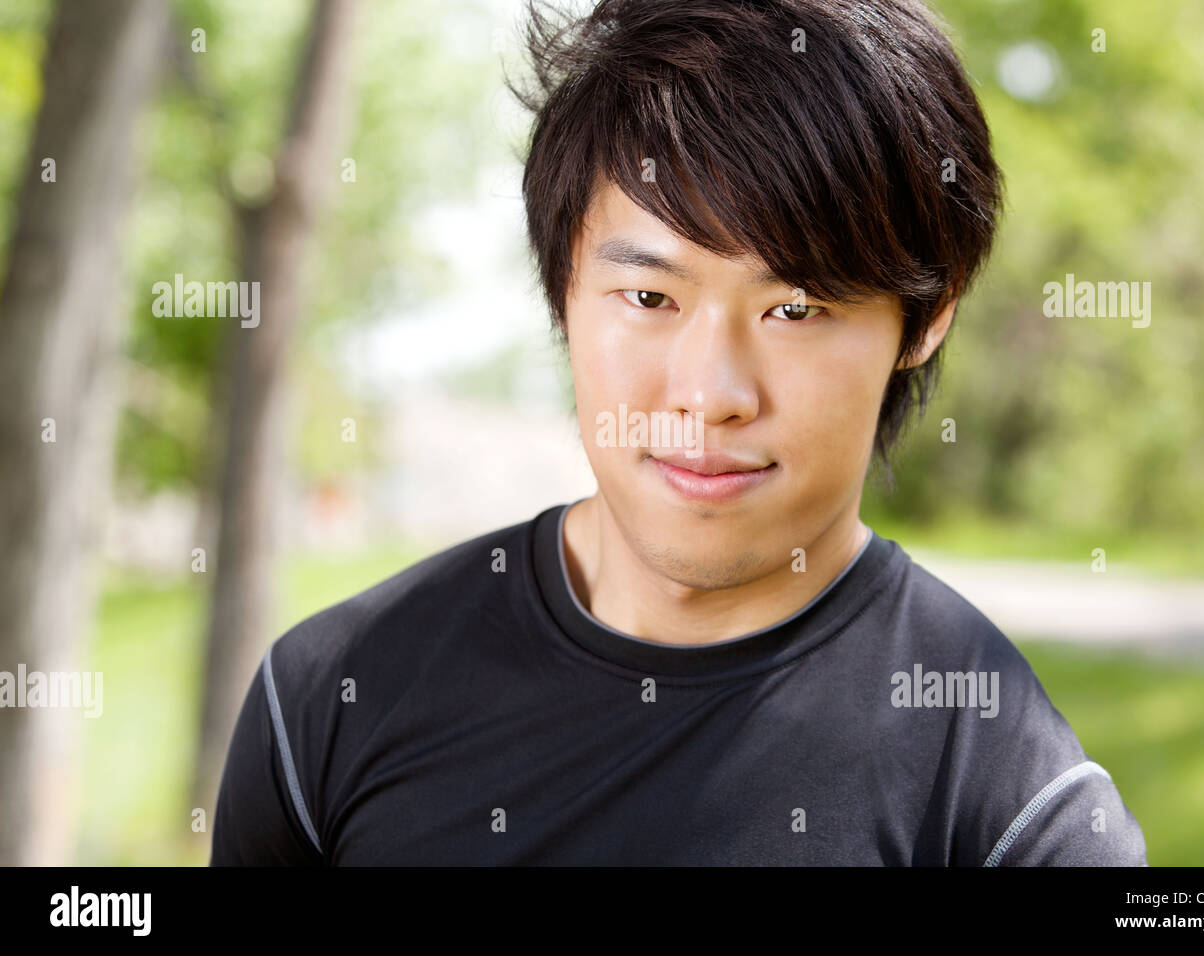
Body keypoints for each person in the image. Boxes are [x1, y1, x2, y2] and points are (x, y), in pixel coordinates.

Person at [211, 0, 1147, 865]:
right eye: (649, 296)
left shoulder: (1008, 799)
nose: (710, 395)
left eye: (797, 308)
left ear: (925, 319)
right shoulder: (331, 698)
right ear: (564, 291)